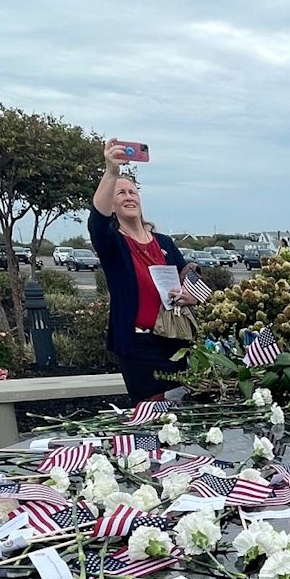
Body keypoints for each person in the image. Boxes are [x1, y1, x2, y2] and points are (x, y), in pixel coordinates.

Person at [90, 140, 199, 402]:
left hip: (175, 341)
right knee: (151, 417)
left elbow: (190, 276)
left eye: (132, 192)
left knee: (180, 413)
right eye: (121, 194)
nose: (128, 197)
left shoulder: (164, 242)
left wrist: (191, 295)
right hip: (139, 348)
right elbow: (96, 221)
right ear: (112, 206)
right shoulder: (113, 243)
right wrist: (111, 172)